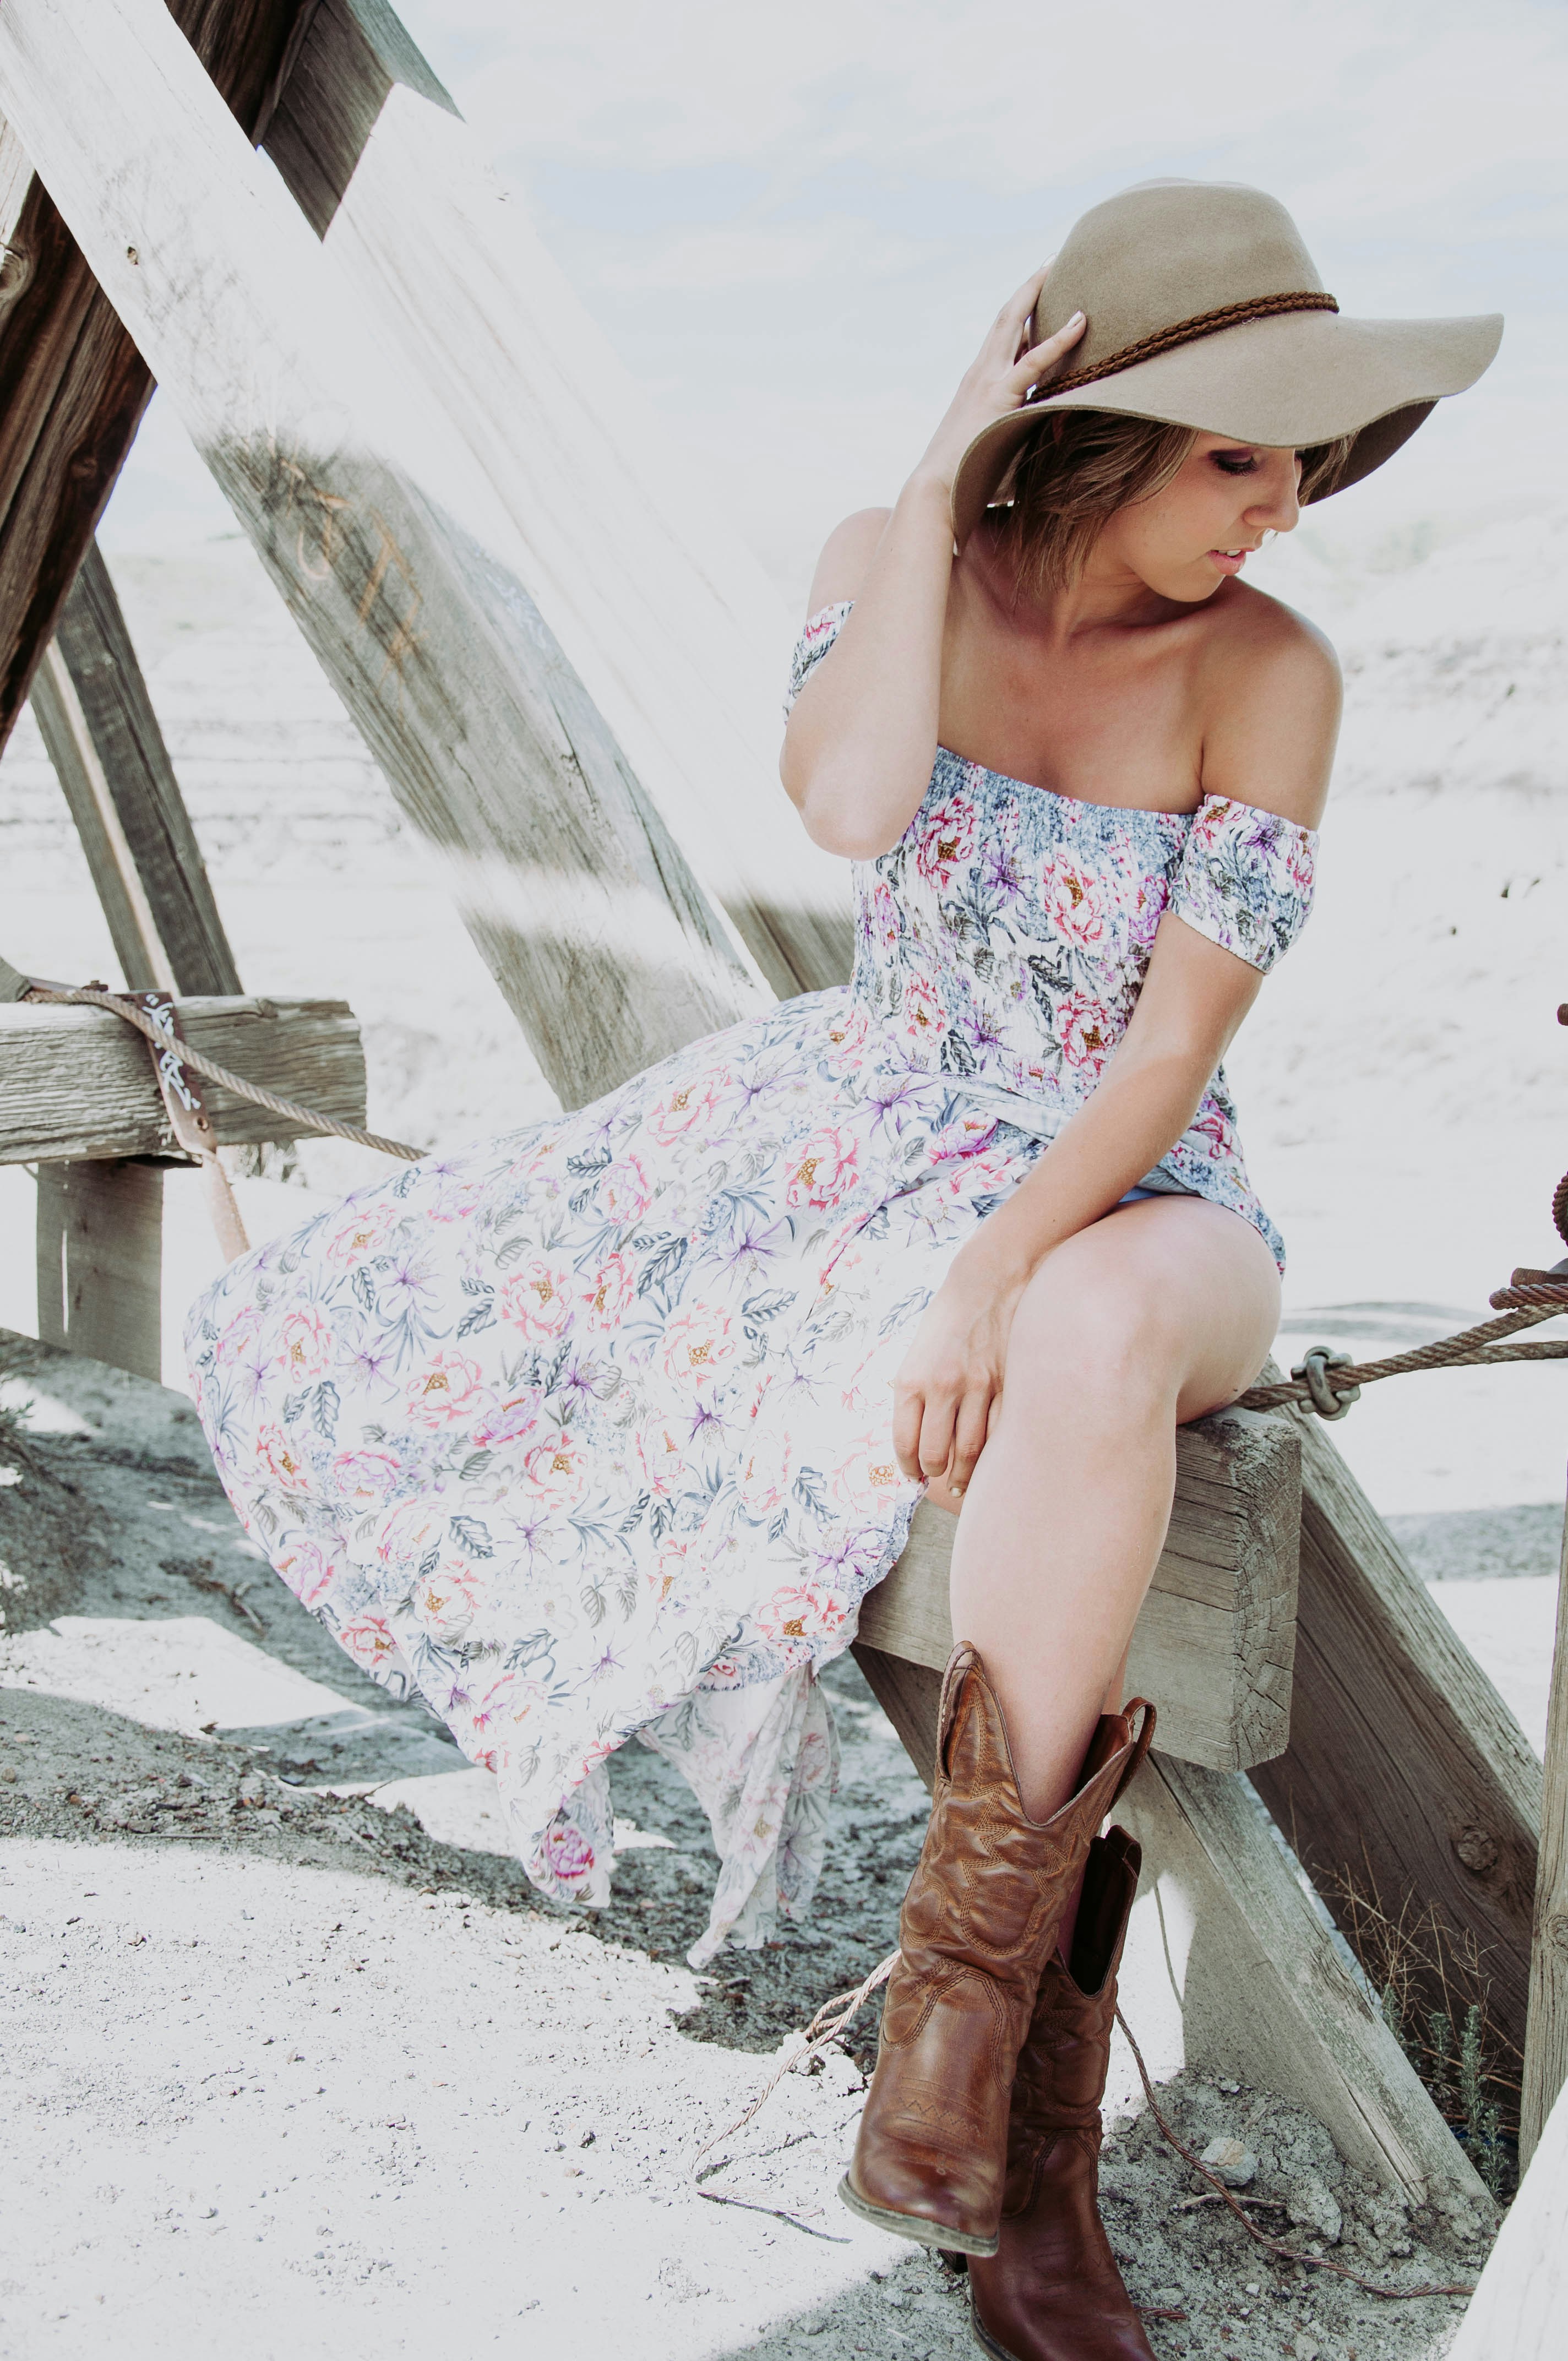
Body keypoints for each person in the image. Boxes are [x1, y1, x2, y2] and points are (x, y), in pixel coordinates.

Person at [186, 178, 1499, 2359]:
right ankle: (1027, 2154)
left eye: (1301, 462)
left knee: (1070, 1334)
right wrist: (919, 493)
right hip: (874, 1109)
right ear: (1092, 428)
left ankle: (960, 2046)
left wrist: (989, 1268)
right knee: (432, 1315)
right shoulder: (884, 571)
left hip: (1148, 1175)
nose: (1282, 511)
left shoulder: (1275, 675)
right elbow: (846, 803)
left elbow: (1174, 1044)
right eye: (1234, 457)